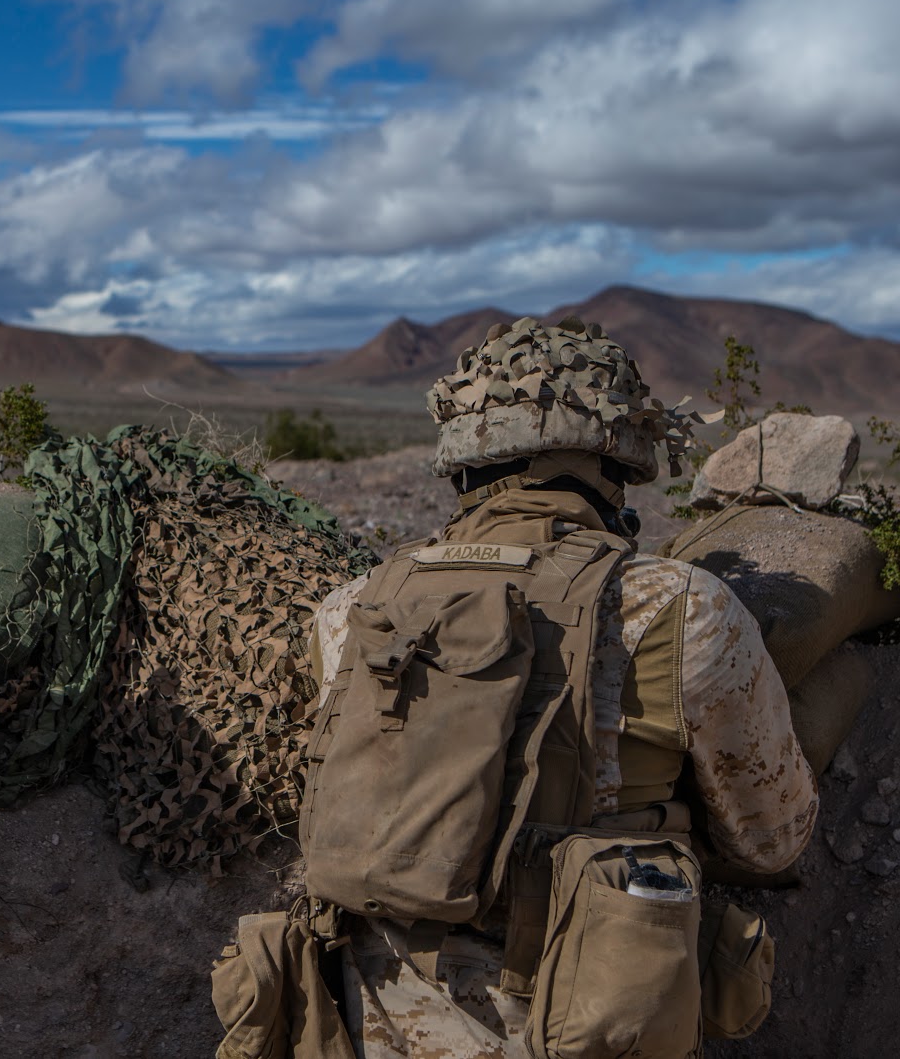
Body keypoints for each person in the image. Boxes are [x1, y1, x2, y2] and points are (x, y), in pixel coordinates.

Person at [217, 317, 819, 1057]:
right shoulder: (682, 607)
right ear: (611, 461)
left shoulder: (354, 608)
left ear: (464, 461)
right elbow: (771, 836)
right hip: (579, 1021)